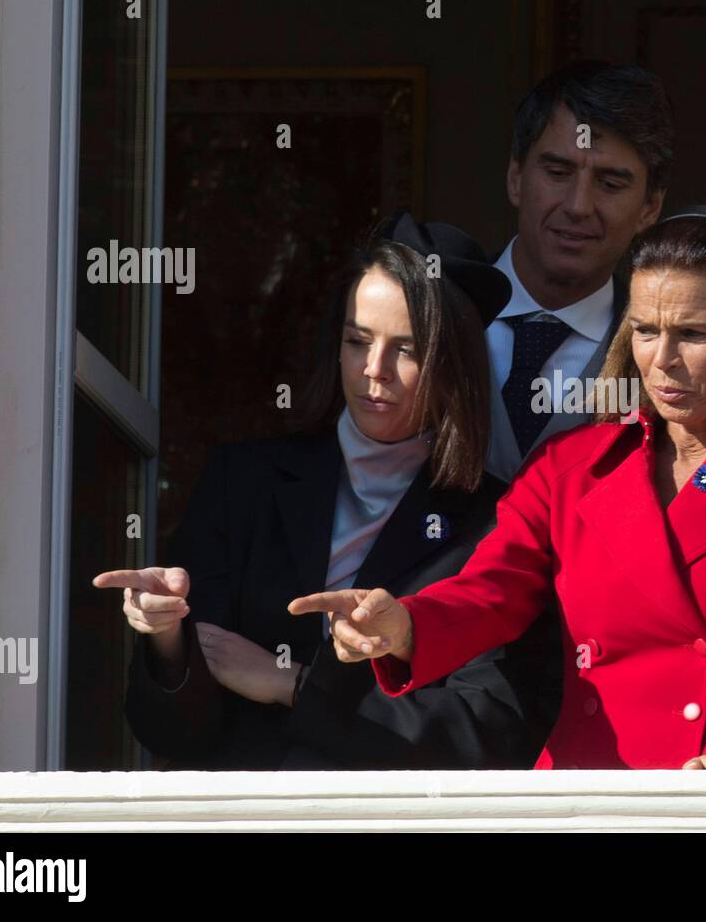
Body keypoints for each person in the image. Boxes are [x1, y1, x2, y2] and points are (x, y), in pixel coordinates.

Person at [291, 205, 706, 770]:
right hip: (584, 789)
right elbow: (491, 590)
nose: (663, 360)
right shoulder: (568, 465)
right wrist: (406, 624)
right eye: (645, 330)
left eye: (693, 334)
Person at [93, 213, 557, 770]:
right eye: (357, 341)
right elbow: (169, 734)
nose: (374, 371)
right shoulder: (243, 483)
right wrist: (166, 638)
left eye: (406, 350)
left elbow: (489, 735)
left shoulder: (499, 521)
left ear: (453, 365)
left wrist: (291, 684)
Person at [487, 59, 672, 481]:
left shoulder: (666, 358)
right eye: (557, 172)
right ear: (516, 177)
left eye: (610, 183)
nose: (577, 205)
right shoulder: (427, 316)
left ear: (650, 207)